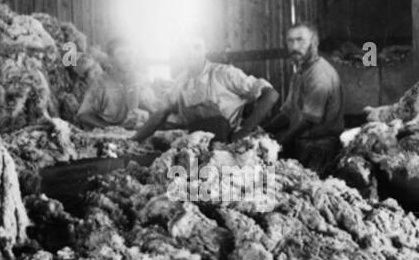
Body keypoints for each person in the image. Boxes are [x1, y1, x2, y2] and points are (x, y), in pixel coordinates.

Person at [134, 36, 277, 143]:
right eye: (185, 48)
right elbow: (160, 113)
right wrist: (133, 140)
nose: (191, 52)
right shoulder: (180, 82)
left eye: (197, 47)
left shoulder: (224, 73)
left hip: (228, 143)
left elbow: (271, 94)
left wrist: (245, 131)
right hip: (197, 146)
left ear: (205, 50)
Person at [262, 22, 344, 174]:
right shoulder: (300, 72)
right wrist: (263, 130)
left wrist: (279, 142)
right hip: (303, 143)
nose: (294, 46)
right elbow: (287, 112)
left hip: (320, 148)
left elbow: (308, 121)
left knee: (311, 189)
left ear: (314, 43)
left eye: (300, 40)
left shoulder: (319, 74)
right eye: (290, 41)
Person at [77, 38, 141, 129]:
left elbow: (133, 110)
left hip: (126, 132)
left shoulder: (133, 78)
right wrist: (112, 129)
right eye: (122, 54)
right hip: (103, 134)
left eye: (131, 53)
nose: (129, 58)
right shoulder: (100, 84)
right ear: (111, 58)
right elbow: (83, 115)